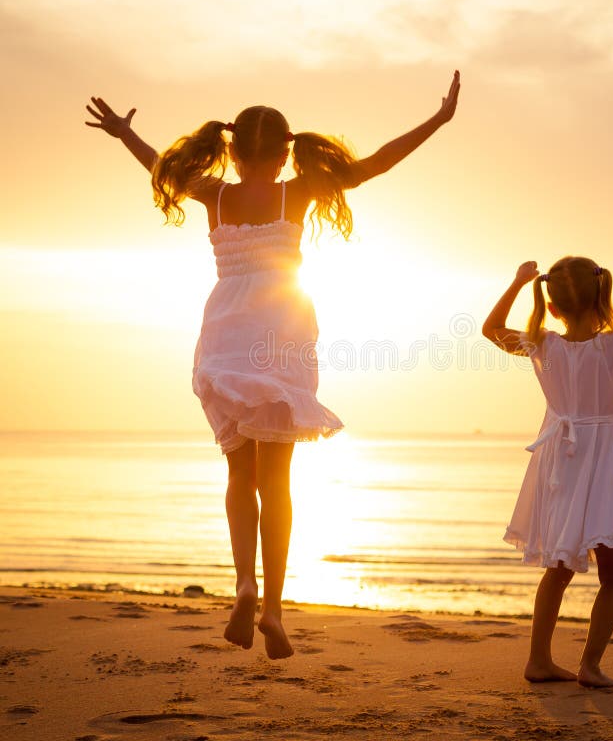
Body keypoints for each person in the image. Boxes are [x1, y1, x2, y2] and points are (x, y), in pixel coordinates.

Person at [85, 71, 460, 658]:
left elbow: (162, 167)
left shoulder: (217, 196)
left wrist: (124, 135)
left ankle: (242, 585)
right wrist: (437, 121)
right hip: (282, 335)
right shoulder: (298, 192)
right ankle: (275, 610)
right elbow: (374, 166)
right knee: (277, 483)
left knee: (238, 476)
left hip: (226, 338)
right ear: (287, 151)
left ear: (231, 152)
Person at [483, 256, 613, 688]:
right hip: (594, 463)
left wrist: (520, 283)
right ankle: (589, 666)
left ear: (553, 306)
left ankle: (539, 660)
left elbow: (491, 329)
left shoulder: (545, 344)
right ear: (602, 296)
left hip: (558, 462)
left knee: (558, 567)